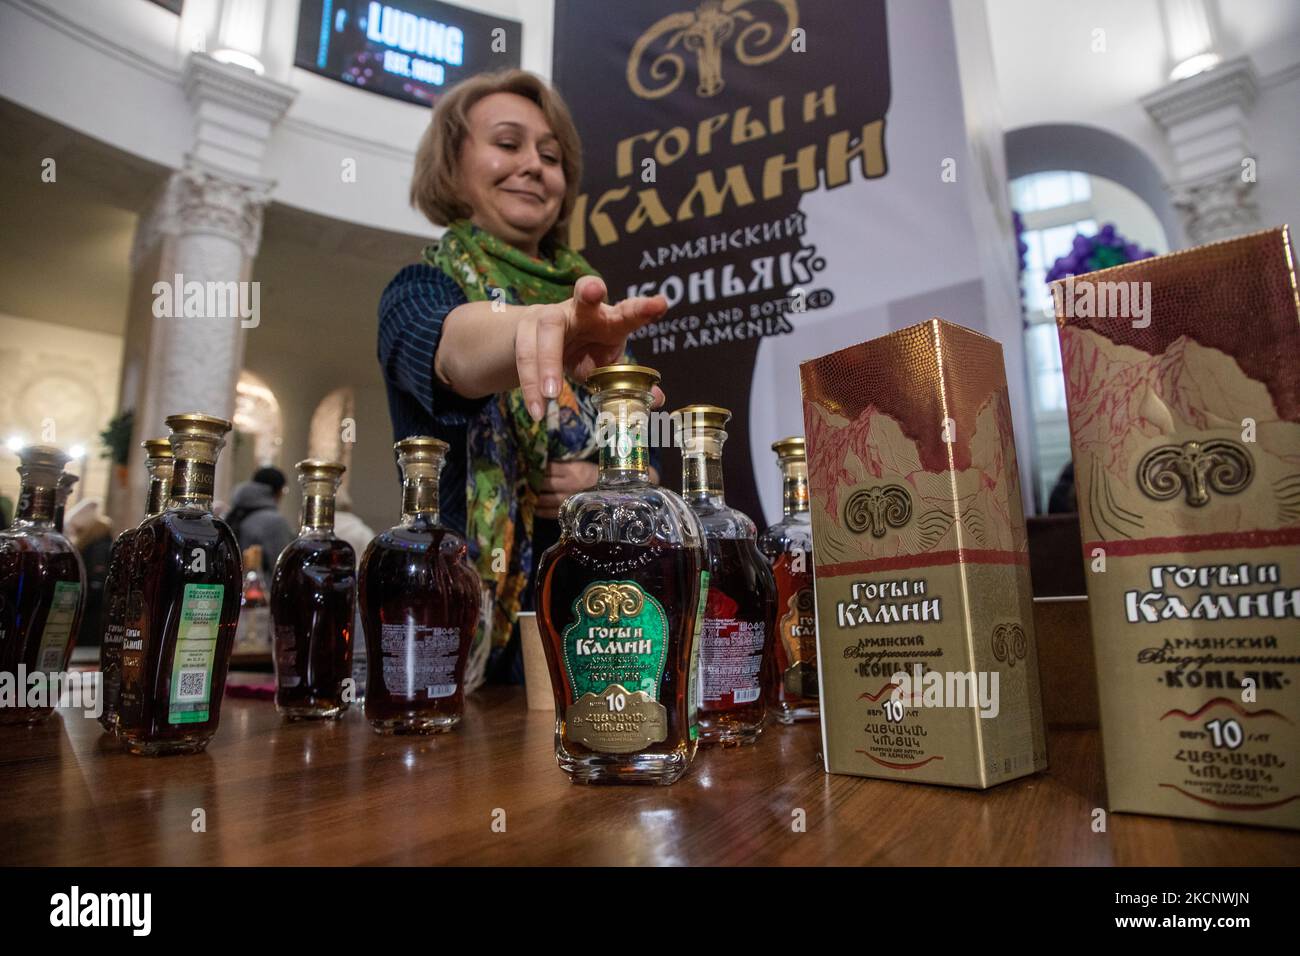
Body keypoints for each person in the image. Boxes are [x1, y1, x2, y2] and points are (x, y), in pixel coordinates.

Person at [378, 69, 668, 682]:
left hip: (603, 635)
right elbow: (457, 352)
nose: (534, 166)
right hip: (467, 648)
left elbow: (645, 467)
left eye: (551, 155)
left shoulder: (590, 304)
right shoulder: (419, 290)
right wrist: (535, 324)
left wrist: (613, 481)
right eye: (508, 144)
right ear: (452, 168)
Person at [226, 466, 294, 575]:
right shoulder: (274, 522)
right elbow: (282, 568)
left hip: (235, 586)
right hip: (260, 589)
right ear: (278, 491)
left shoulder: (234, 513)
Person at [64, 498, 113, 648]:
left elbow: (96, 583)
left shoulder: (96, 547)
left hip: (89, 617)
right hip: (93, 615)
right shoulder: (102, 543)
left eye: (77, 530)